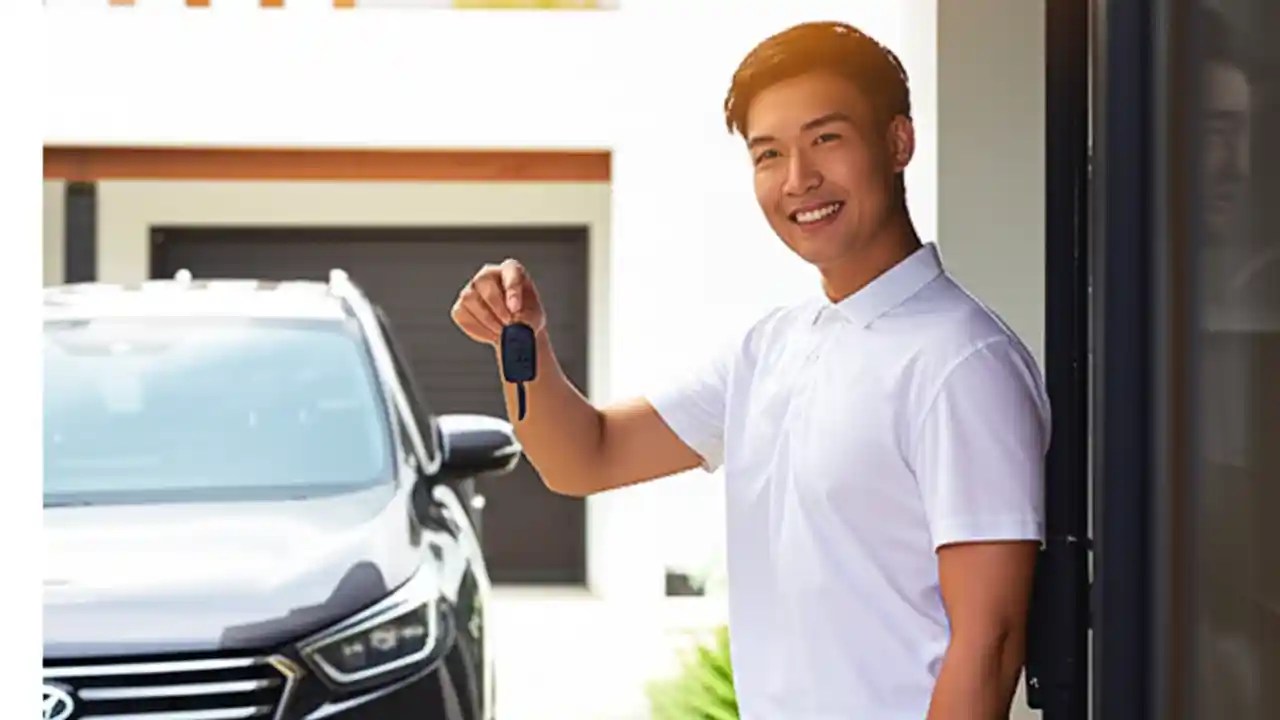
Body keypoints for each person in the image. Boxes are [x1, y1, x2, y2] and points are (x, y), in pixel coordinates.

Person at [450, 20, 1048, 719]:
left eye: (826, 139)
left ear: (897, 142)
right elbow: (584, 458)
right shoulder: (770, 349)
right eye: (769, 154)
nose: (799, 180)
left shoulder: (962, 364)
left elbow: (990, 643)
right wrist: (522, 345)